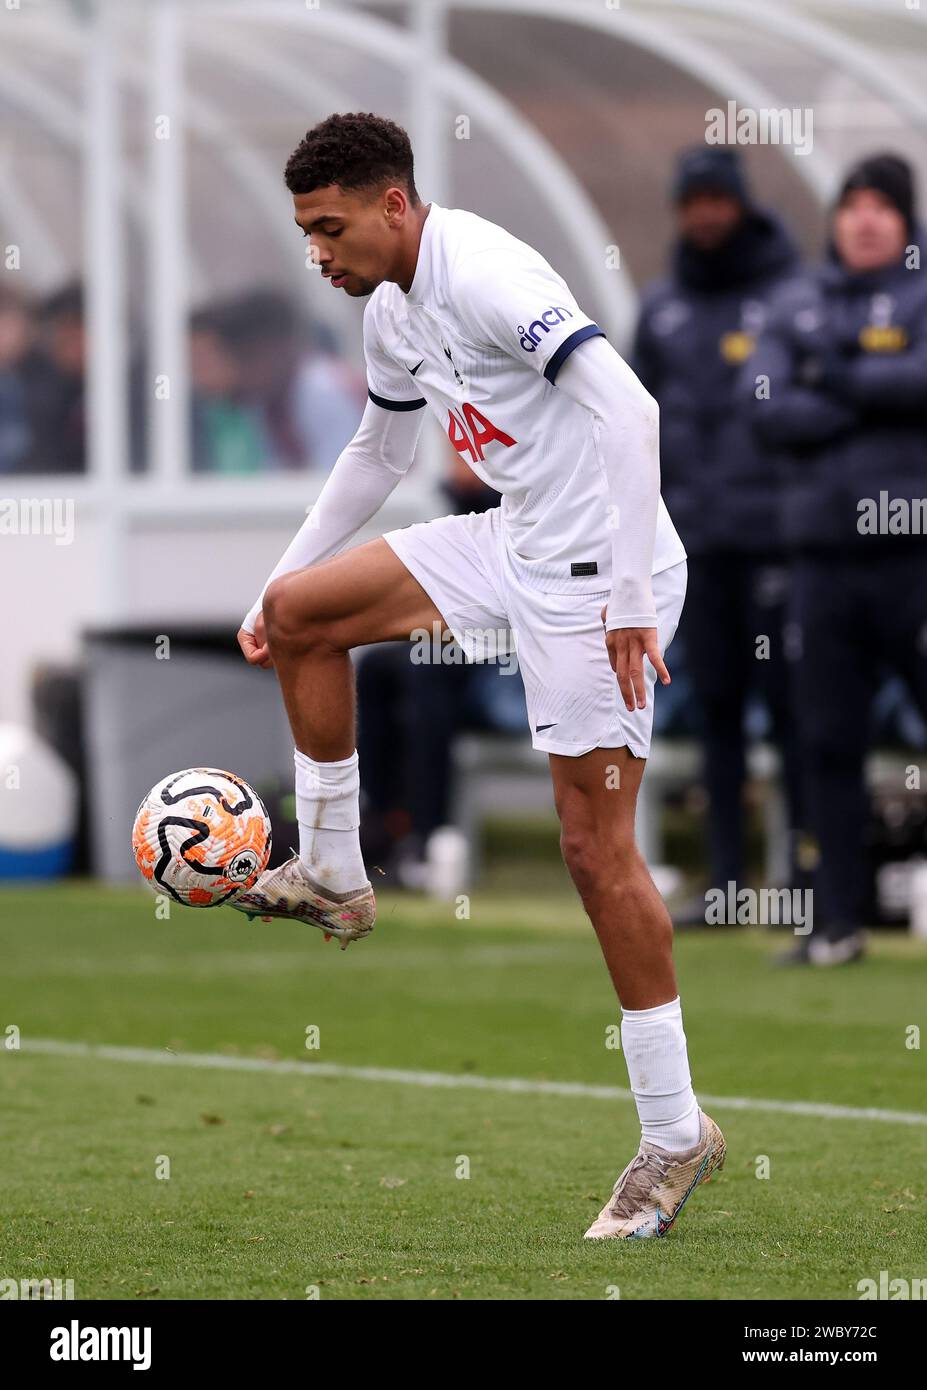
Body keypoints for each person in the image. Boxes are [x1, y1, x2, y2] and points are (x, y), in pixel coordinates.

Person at [235, 112, 725, 1239]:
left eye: (329, 226)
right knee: (305, 619)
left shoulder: (494, 272)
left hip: (604, 572)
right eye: (307, 232)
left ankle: (673, 1132)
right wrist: (275, 578)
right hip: (515, 539)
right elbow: (383, 452)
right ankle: (336, 871)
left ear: (394, 205)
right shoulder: (391, 308)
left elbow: (633, 409)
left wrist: (633, 603)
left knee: (594, 852)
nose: (318, 251)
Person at [746, 154, 927, 966]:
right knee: (824, 739)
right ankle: (835, 924)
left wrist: (835, 373)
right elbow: (767, 406)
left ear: (904, 220)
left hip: (912, 557)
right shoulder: (796, 301)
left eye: (879, 206)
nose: (861, 219)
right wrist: (874, 390)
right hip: (821, 558)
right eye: (849, 204)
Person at [632, 148, 803, 909]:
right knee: (717, 713)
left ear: (740, 204)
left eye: (715, 199)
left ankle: (807, 877)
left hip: (776, 540)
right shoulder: (662, 307)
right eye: (690, 201)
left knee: (796, 709)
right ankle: (728, 881)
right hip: (695, 546)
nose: (703, 215)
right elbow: (633, 422)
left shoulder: (792, 296)